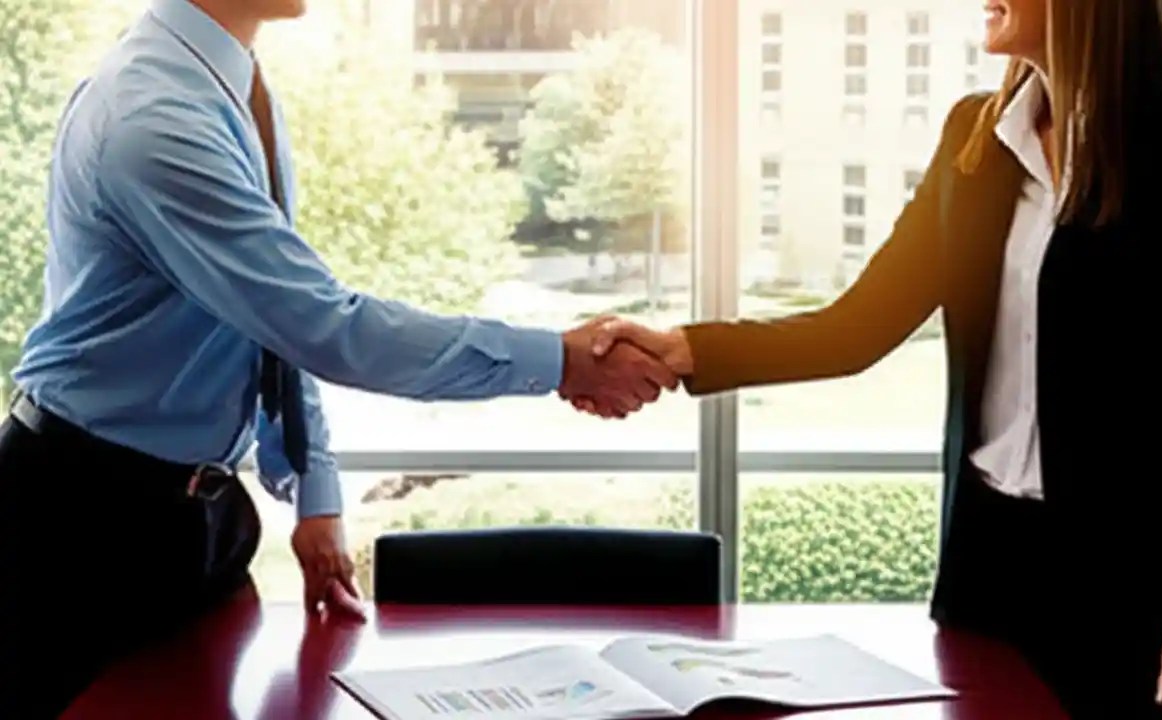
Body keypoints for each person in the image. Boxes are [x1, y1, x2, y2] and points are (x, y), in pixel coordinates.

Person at [583, 0, 1162, 717]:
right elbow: (858, 327)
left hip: (1140, 589)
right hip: (991, 570)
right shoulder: (975, 139)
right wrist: (687, 350)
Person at [0, 0, 675, 716]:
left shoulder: (227, 81)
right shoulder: (153, 118)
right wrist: (561, 360)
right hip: (80, 528)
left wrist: (313, 487)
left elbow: (265, 315)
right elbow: (320, 323)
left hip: (196, 515)